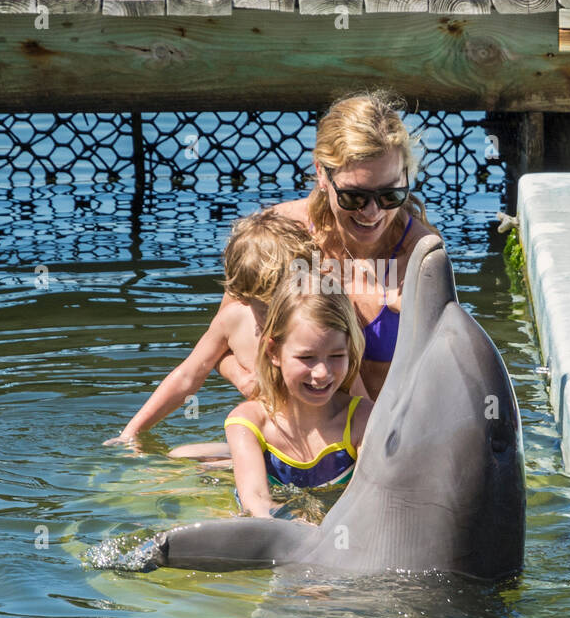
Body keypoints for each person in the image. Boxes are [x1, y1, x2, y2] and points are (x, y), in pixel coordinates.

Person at [271, 91, 438, 398]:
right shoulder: (279, 233)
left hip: (379, 437)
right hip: (291, 437)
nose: (372, 212)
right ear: (322, 173)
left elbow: (444, 366)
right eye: (353, 197)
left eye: (391, 195)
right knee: (181, 451)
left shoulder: (420, 252)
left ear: (405, 176)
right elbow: (222, 342)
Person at [103, 209, 316, 447]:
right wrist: (133, 431)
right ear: (244, 296)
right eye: (267, 308)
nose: (280, 315)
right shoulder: (233, 321)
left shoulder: (319, 322)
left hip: (318, 437)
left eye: (289, 302)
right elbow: (187, 376)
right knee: (184, 455)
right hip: (267, 437)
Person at [223, 283, 373, 518]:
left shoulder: (364, 419)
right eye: (307, 357)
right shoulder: (248, 424)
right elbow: (256, 503)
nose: (322, 372)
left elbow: (368, 500)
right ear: (274, 352)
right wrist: (301, 527)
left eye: (336, 356)